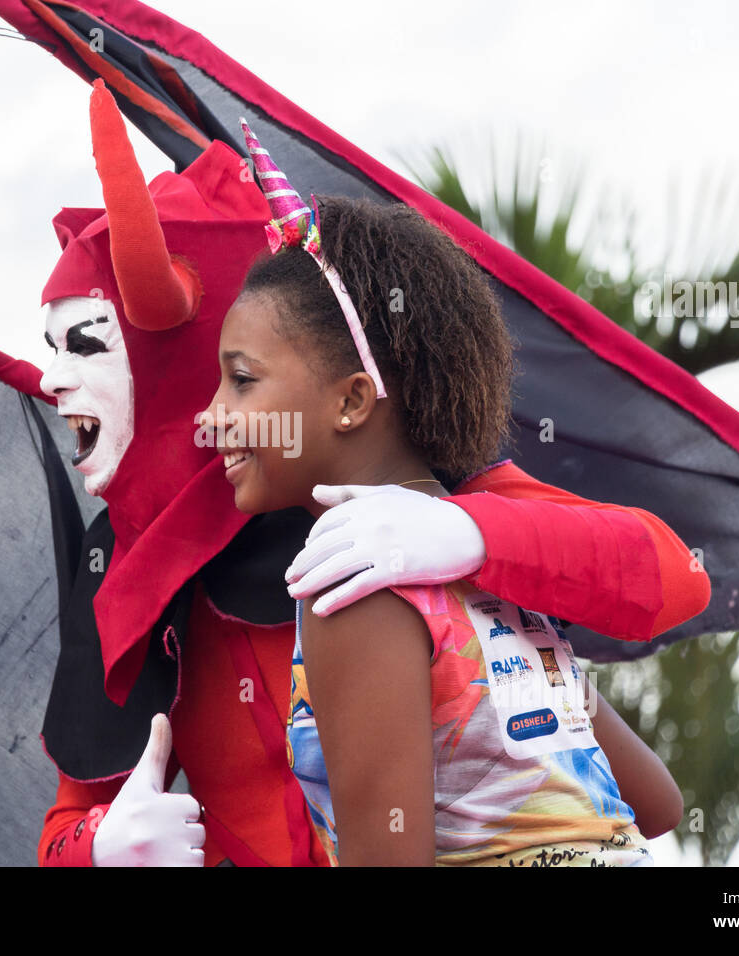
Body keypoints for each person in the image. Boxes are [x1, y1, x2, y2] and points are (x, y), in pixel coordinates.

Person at [37, 87, 701, 867]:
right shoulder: (123, 573)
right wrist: (100, 849)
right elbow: (652, 804)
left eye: (84, 344)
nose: (52, 381)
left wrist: (472, 531)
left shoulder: (407, 534)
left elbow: (673, 575)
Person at [197, 122, 683, 864]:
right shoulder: (495, 573)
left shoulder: (353, 582)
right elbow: (655, 802)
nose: (212, 416)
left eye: (242, 380)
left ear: (353, 401)